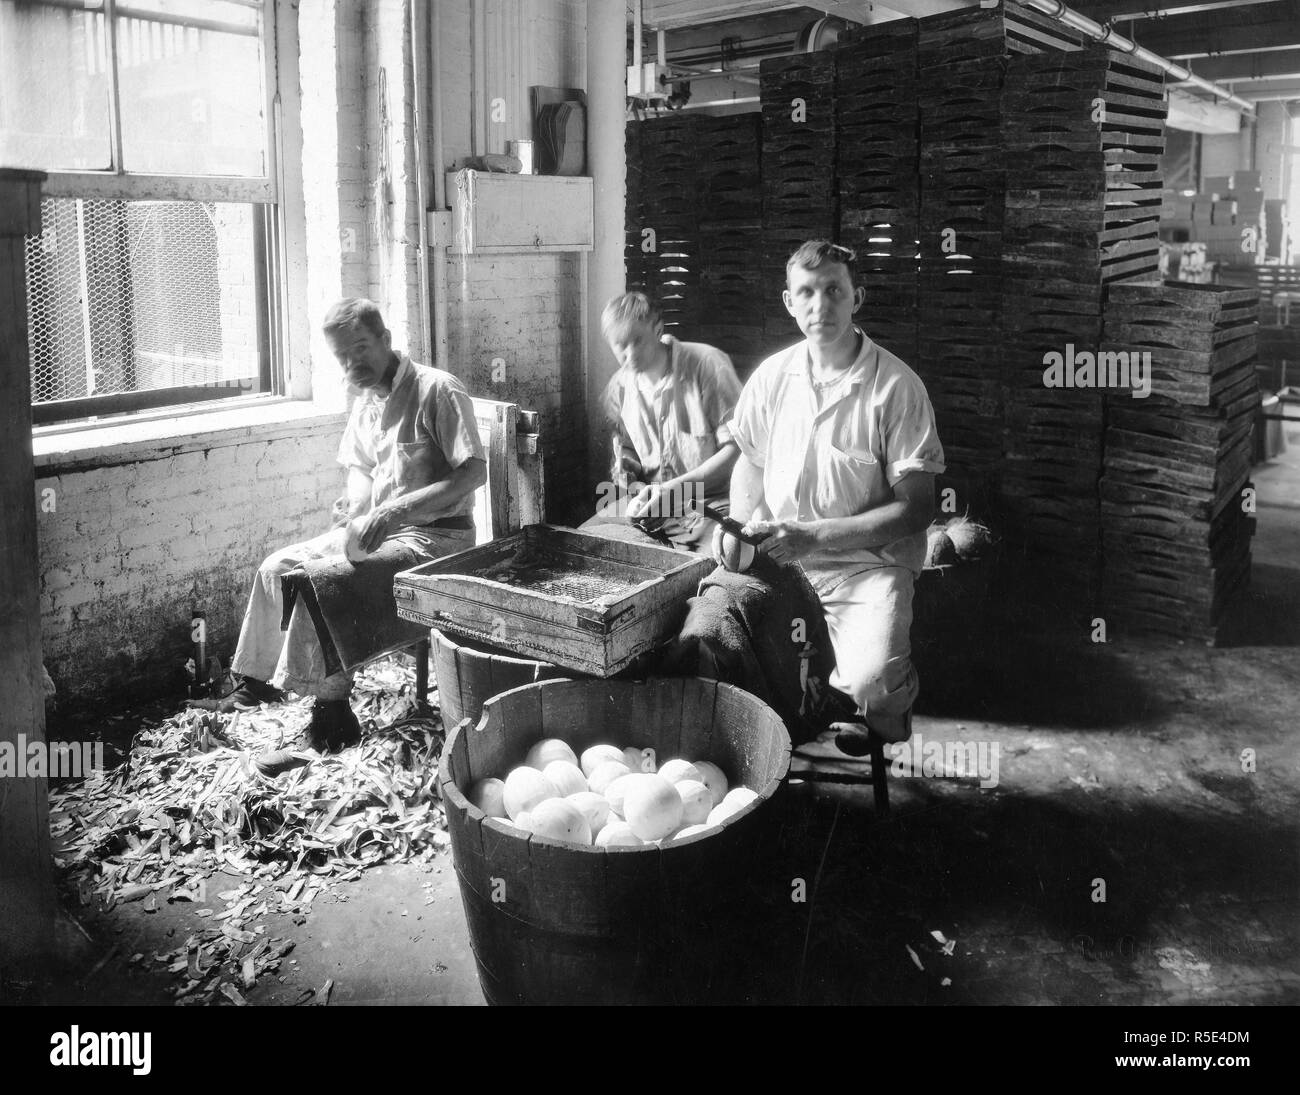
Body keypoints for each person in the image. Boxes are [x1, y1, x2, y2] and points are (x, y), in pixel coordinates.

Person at [220, 299, 487, 770]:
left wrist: (397, 508)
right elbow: (361, 471)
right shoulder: (366, 403)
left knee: (321, 580)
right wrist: (357, 506)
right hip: (378, 534)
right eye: (341, 356)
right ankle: (253, 685)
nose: (352, 364)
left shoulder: (436, 390)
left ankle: (332, 719)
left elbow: (473, 473)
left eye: (360, 348)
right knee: (276, 567)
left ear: (386, 339)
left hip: (436, 541)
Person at [723, 240, 945, 747]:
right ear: (789, 302)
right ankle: (794, 722)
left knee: (874, 685)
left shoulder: (895, 387)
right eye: (806, 292)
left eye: (833, 291)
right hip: (782, 558)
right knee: (715, 636)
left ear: (856, 298)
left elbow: (918, 508)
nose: (820, 305)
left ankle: (883, 716)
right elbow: (750, 462)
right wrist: (738, 524)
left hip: (868, 564)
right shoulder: (772, 377)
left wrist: (816, 535)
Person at [580, 292, 742, 552]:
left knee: (724, 559)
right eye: (620, 345)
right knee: (581, 545)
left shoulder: (705, 364)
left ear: (658, 329)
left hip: (712, 504)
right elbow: (628, 448)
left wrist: (672, 491)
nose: (630, 353)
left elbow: (737, 453)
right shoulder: (619, 387)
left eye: (638, 341)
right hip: (652, 507)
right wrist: (627, 467)